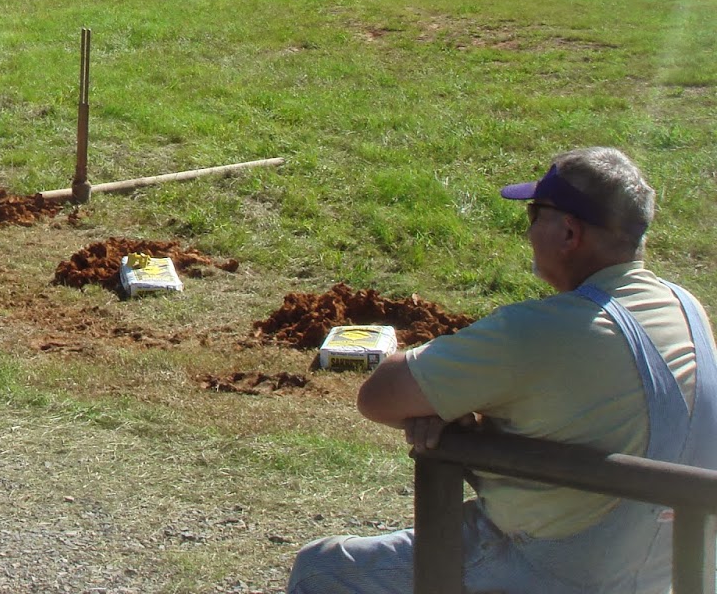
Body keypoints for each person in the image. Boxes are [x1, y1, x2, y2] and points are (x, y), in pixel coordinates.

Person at [287, 146, 716, 593]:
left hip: (559, 573)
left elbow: (379, 395)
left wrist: (457, 415)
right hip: (671, 573)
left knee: (321, 571)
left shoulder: (543, 329)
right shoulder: (686, 308)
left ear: (569, 232)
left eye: (535, 214)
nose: (528, 230)